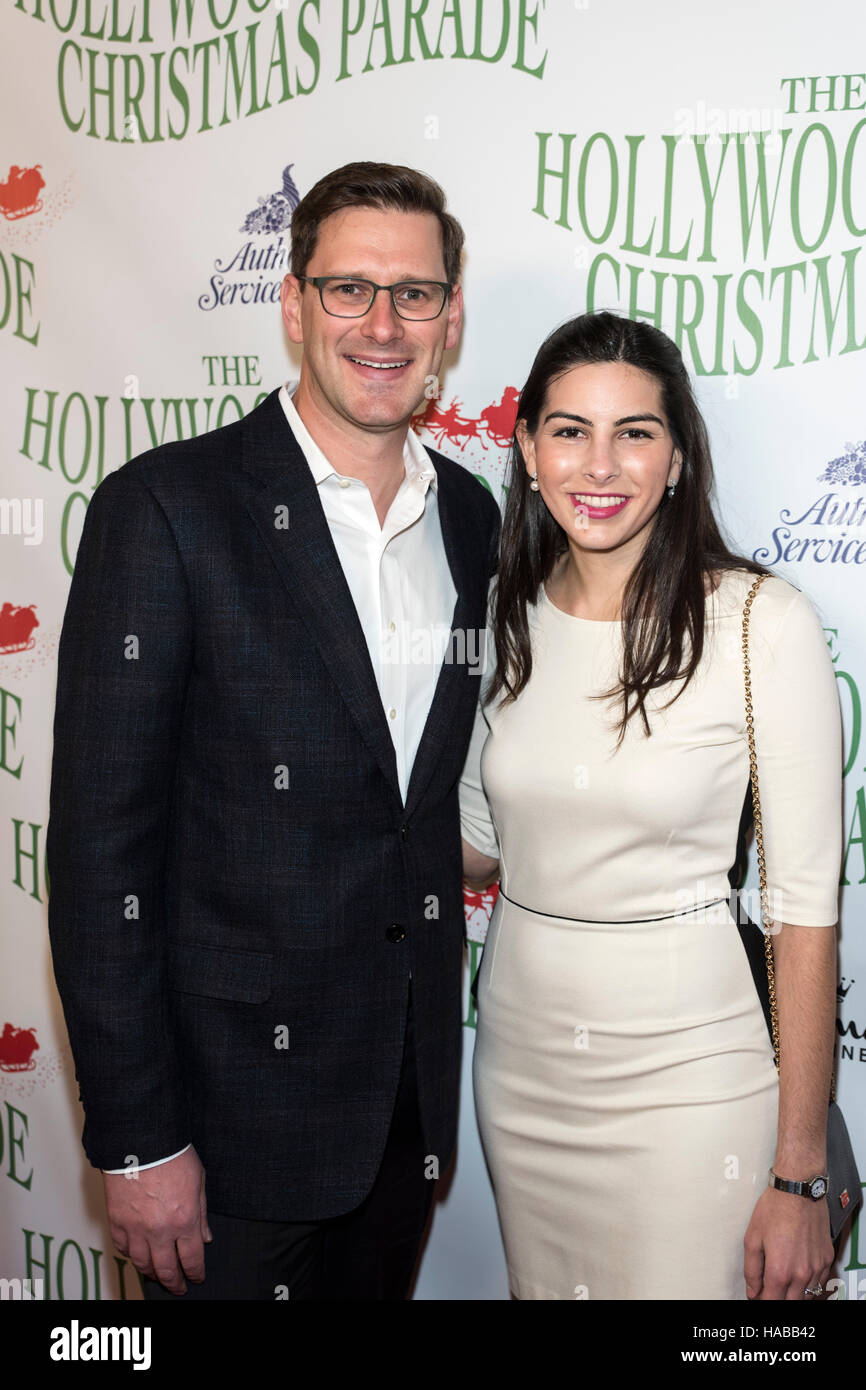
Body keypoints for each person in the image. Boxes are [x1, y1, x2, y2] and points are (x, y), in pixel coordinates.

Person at [46, 161, 500, 1301]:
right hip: (224, 1122)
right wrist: (139, 1140)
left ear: (449, 317)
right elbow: (102, 857)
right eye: (349, 288)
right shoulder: (166, 509)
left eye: (414, 293)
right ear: (292, 304)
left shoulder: (475, 513)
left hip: (401, 1104)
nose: (383, 324)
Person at [459, 310, 842, 1301]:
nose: (599, 463)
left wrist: (796, 1172)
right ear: (526, 448)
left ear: (675, 459)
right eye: (568, 429)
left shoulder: (758, 620)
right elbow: (468, 846)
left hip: (690, 1084)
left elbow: (801, 913)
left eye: (634, 431)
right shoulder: (506, 615)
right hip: (521, 1072)